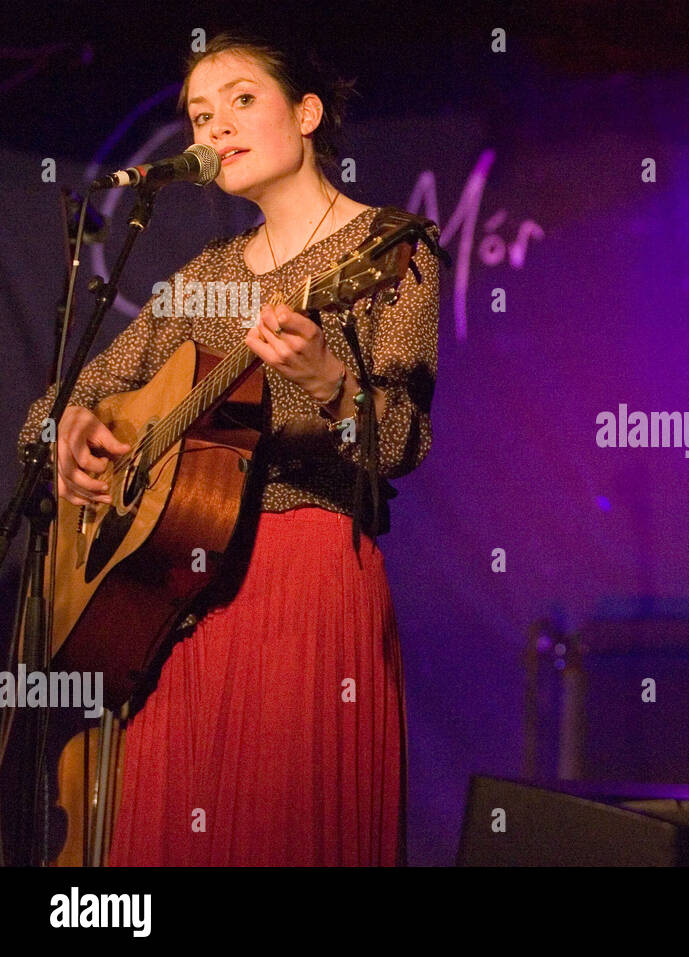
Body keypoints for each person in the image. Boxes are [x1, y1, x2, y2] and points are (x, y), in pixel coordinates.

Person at [16, 31, 439, 865]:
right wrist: (65, 432)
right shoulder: (205, 274)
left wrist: (330, 383)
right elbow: (55, 405)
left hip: (303, 578)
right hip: (174, 602)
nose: (216, 129)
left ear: (307, 112)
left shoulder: (389, 250)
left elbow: (398, 440)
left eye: (242, 100)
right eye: (201, 116)